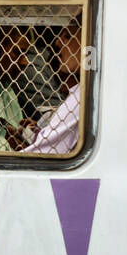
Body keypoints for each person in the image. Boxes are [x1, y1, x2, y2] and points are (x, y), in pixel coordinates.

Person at [23, 22, 85, 155]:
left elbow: (42, 155)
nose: (58, 43)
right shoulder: (82, 94)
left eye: (68, 36)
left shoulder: (81, 99)